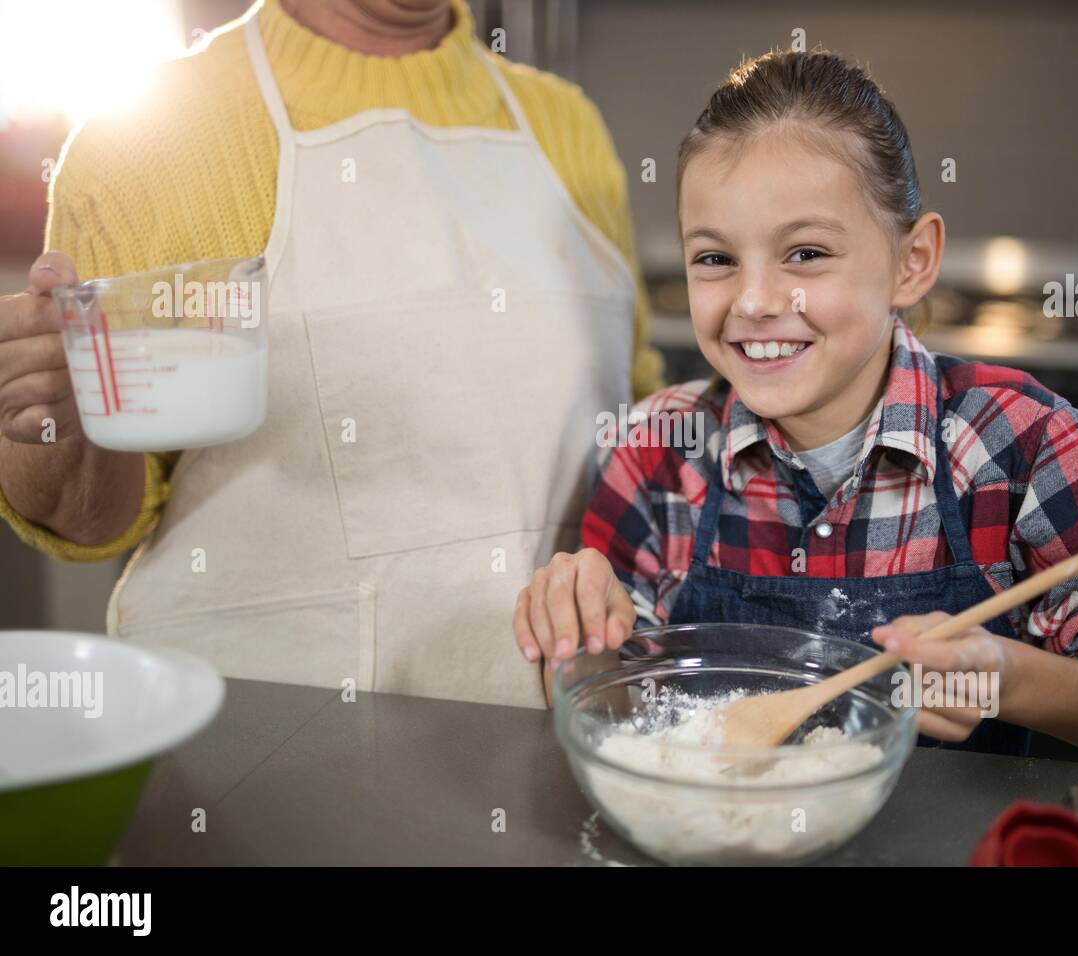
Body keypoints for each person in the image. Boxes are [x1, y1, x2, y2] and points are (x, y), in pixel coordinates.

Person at [512, 49, 1078, 763]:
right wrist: (579, 636)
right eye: (715, 259)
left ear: (912, 261)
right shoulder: (657, 453)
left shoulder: (1023, 445)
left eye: (806, 253)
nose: (753, 301)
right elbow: (609, 712)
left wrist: (1009, 678)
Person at [0, 0, 661, 707]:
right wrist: (58, 424)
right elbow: (89, 517)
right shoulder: (146, 140)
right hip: (270, 757)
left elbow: (643, 436)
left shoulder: (567, 125)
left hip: (562, 733)